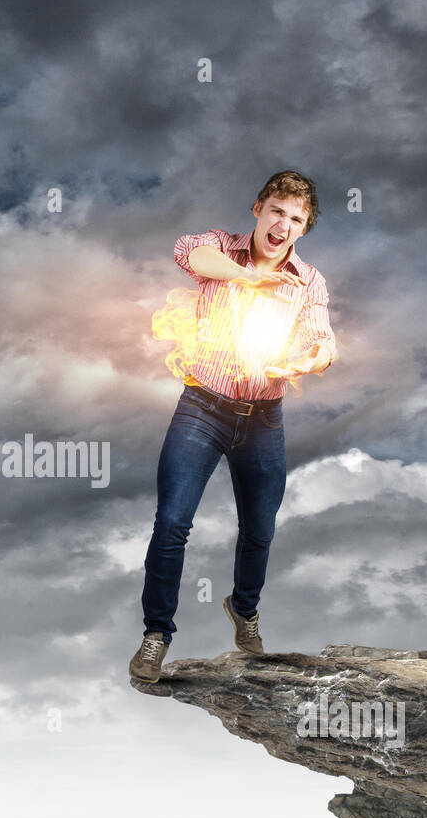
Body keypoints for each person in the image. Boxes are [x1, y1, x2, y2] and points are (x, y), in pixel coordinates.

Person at [130, 170, 337, 683]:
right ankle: (157, 633)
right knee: (173, 522)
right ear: (258, 209)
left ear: (303, 229)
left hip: (264, 419)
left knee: (260, 530)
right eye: (277, 211)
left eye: (296, 219)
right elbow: (189, 254)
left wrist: (308, 361)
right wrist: (246, 278)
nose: (283, 225)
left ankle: (244, 610)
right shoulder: (219, 248)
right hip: (202, 408)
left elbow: (324, 344)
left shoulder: (309, 282)